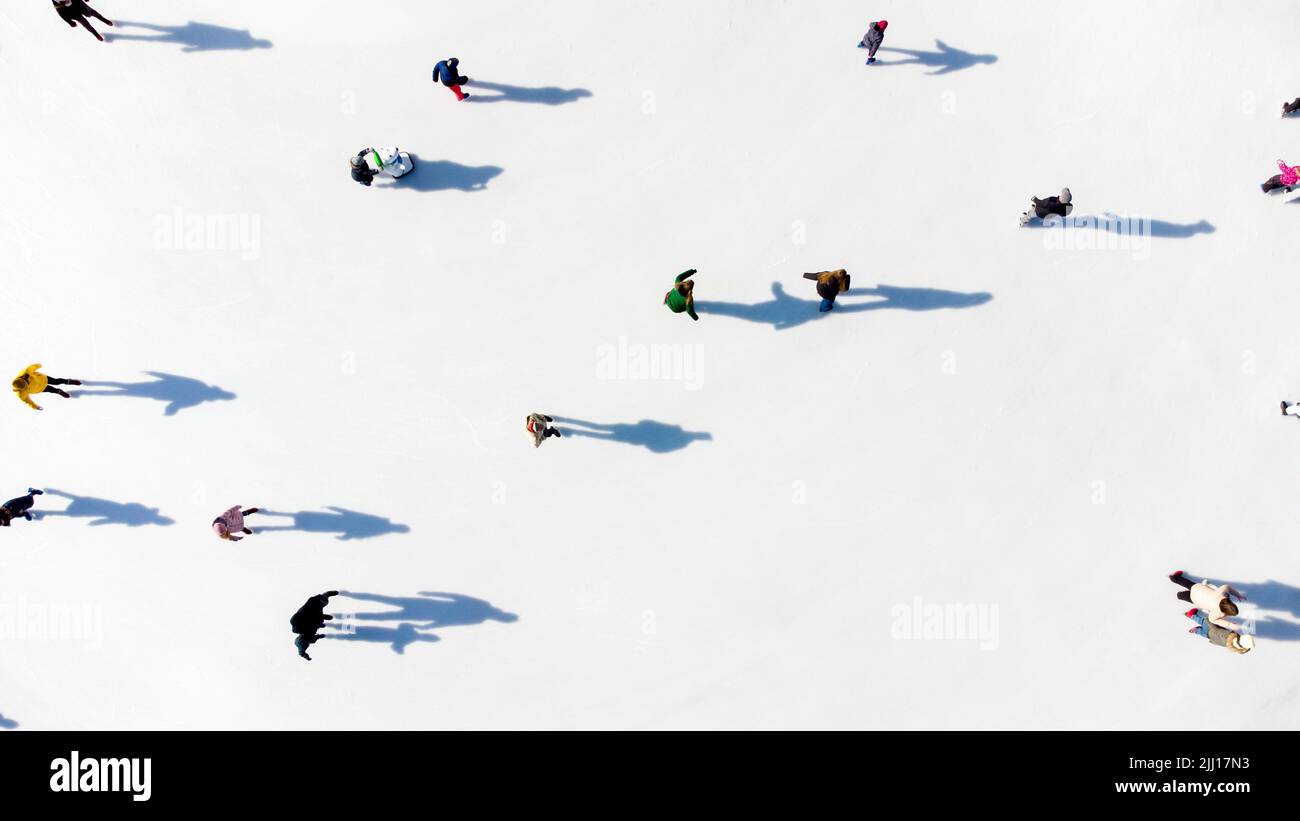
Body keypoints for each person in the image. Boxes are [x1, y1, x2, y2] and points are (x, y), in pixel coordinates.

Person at [1167, 571, 1246, 628]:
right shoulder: (1220, 613)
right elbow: (1212, 620)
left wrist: (1238, 595)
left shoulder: (1222, 595)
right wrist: (1229, 625)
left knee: (1187, 583)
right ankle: (1178, 595)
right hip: (1195, 599)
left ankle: (1175, 578)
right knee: (1183, 596)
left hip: (1198, 589)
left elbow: (1226, 587)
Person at [291, 590, 339, 661]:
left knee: (323, 602)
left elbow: (309, 607)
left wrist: (322, 619)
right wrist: (306, 656)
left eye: (308, 641)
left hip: (312, 609)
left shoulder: (301, 625)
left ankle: (326, 594)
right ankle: (322, 609)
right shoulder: (307, 638)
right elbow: (301, 652)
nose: (309, 642)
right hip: (314, 615)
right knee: (321, 608)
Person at [12, 364, 81, 411]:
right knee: (52, 390)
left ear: (23, 378)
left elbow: (31, 367)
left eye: (26, 382)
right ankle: (60, 391)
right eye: (26, 386)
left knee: (56, 381)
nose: (28, 383)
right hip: (40, 389)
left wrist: (38, 365)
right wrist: (35, 406)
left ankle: (68, 381)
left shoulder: (26, 373)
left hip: (43, 379)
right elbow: (26, 401)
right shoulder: (21, 393)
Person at [1185, 609, 1254, 654]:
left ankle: (1191, 615)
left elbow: (1216, 631)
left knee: (1202, 621)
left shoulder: (1229, 636)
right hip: (1210, 637)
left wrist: (1209, 622)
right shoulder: (1234, 647)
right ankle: (1196, 630)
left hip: (1211, 629)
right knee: (1201, 632)